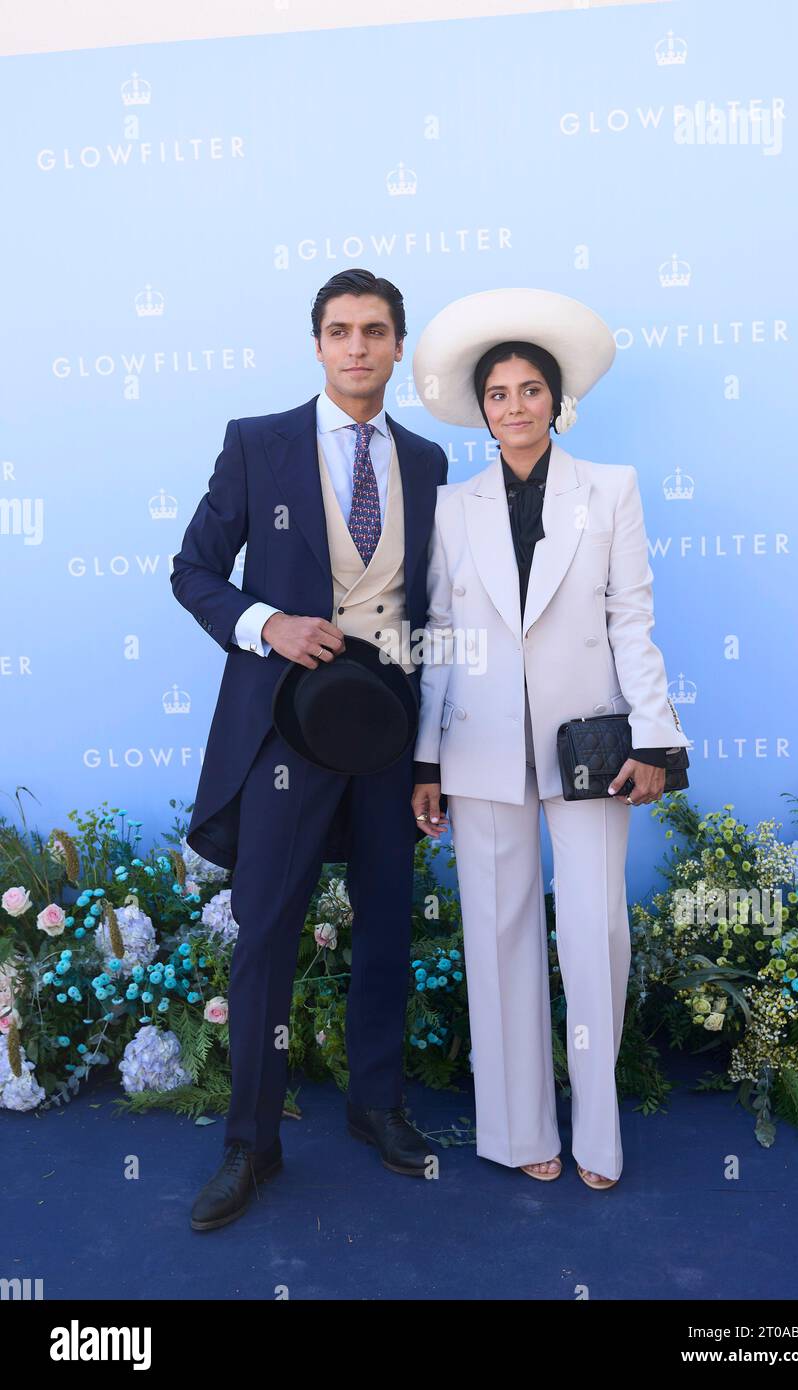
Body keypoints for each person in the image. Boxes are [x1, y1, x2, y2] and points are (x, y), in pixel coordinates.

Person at [170, 269, 448, 1231]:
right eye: (340, 330)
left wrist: (432, 755)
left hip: (388, 732)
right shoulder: (259, 444)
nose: (357, 346)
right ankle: (251, 1143)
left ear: (399, 346)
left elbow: (435, 615)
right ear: (318, 344)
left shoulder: (428, 463)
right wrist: (268, 624)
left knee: (386, 923)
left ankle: (377, 1106)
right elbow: (193, 571)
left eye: (375, 330)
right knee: (267, 931)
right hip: (286, 731)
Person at [410, 288, 689, 1189]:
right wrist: (426, 756)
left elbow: (631, 621)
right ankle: (516, 1128)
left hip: (594, 749)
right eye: (499, 393)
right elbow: (439, 636)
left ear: (556, 399)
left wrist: (656, 738)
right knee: (498, 932)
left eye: (531, 389)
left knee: (594, 929)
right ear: (481, 408)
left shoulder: (611, 490)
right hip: (479, 746)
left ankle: (599, 1138)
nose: (515, 406)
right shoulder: (451, 507)